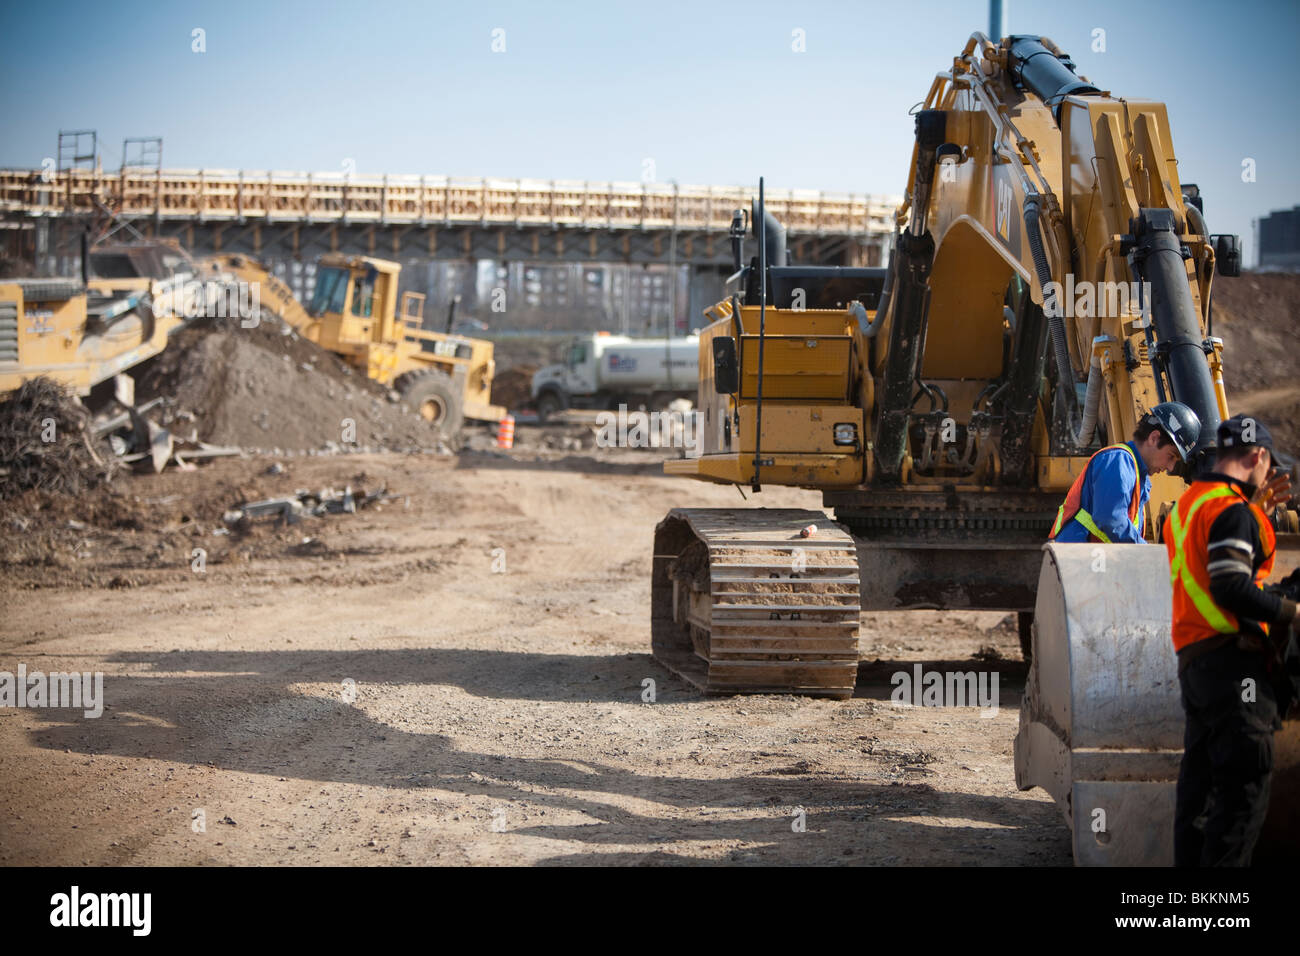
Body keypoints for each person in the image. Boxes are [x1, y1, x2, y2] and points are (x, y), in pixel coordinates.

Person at [1164, 413, 1298, 866]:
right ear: (1258, 456)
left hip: (1195, 663)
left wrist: (1253, 512)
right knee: (1241, 796)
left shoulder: (1189, 504)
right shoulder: (1231, 511)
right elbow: (1230, 587)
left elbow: (1208, 573)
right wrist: (1290, 610)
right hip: (1233, 667)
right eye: (1267, 463)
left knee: (1198, 796)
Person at [1048, 401, 1201, 543]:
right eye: (1171, 456)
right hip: (1077, 560)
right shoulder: (1118, 461)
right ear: (1154, 438)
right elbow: (1110, 518)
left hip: (1089, 561)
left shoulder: (1134, 473)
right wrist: (1146, 553)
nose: (1171, 467)